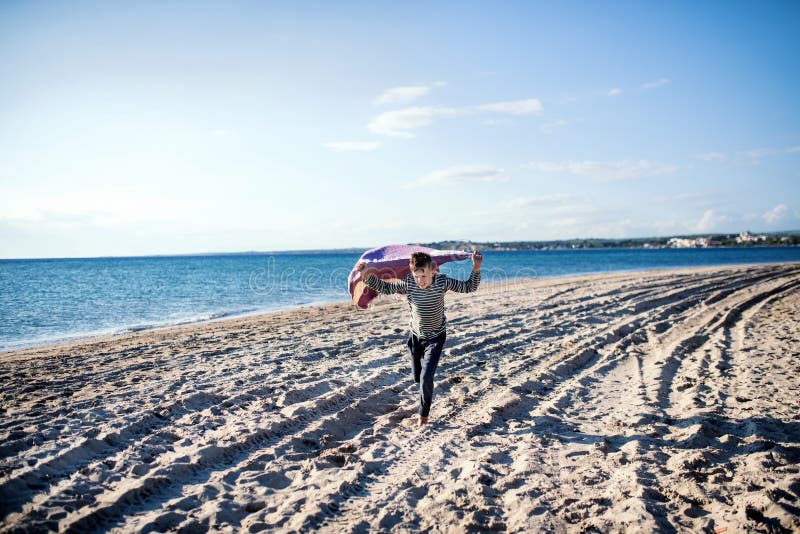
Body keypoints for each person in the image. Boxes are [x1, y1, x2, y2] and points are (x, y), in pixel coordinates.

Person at [357, 250, 483, 426]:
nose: (420, 280)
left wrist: (476, 268)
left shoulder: (442, 281)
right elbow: (386, 288)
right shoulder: (409, 283)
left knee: (426, 377)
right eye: (416, 276)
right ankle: (424, 389)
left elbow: (469, 286)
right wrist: (365, 275)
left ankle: (423, 416)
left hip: (436, 337)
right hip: (416, 337)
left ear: (433, 271)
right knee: (417, 377)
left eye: (423, 275)